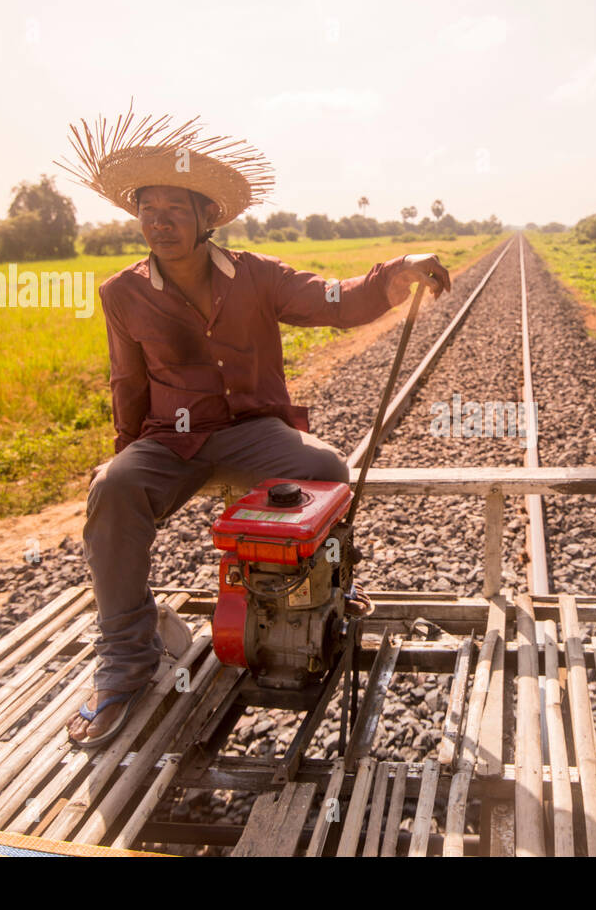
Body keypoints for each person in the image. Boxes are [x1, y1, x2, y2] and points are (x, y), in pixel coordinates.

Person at [55, 107, 450, 747]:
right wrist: (133, 471)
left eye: (174, 208)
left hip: (251, 430)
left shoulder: (258, 275)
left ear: (208, 217)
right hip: (170, 439)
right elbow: (127, 384)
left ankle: (317, 599)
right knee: (113, 487)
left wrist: (398, 267)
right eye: (147, 208)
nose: (159, 221)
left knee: (324, 470)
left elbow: (338, 299)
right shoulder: (121, 294)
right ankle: (125, 659)